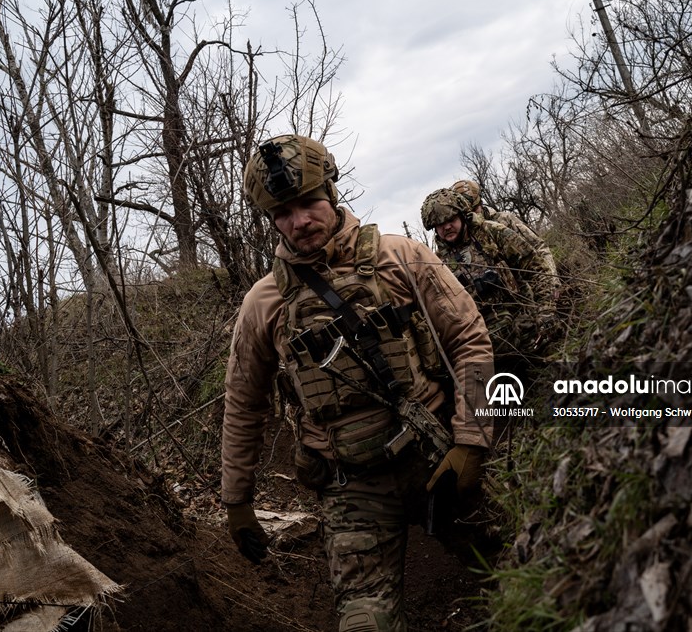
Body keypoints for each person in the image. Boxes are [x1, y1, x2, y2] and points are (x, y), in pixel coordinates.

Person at [220, 134, 494, 632]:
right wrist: (237, 500)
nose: (299, 220)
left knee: (514, 566)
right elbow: (243, 403)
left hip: (438, 457)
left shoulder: (402, 257)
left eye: (308, 202)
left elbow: (470, 342)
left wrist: (472, 442)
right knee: (364, 622)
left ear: (330, 192)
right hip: (352, 487)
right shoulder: (263, 303)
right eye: (283, 212)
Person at [421, 188, 558, 360]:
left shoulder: (493, 233)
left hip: (527, 323)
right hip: (486, 344)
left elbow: (538, 270)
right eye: (439, 225)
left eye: (450, 219)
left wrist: (546, 311)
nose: (446, 226)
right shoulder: (439, 263)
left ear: (463, 215)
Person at [451, 179, 559, 286]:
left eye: (475, 210)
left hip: (532, 286)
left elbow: (539, 247)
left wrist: (552, 282)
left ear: (480, 203)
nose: (473, 215)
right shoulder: (460, 242)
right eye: (468, 213)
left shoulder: (504, 220)